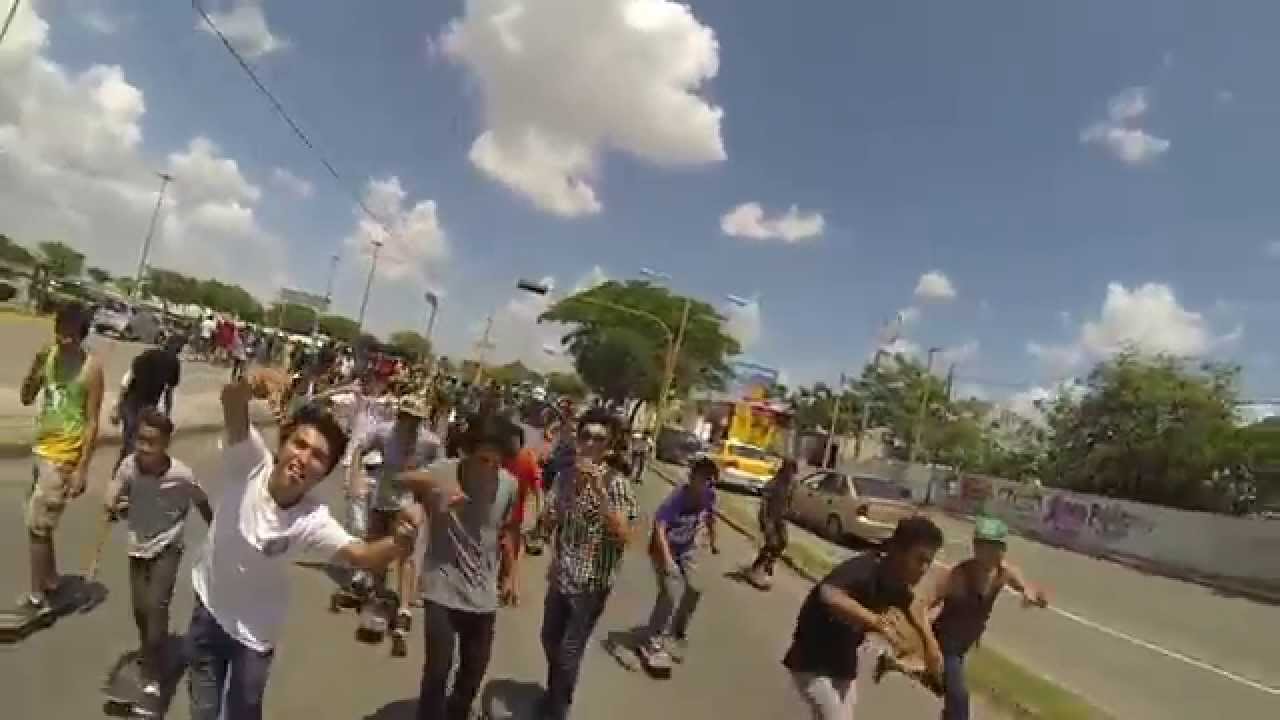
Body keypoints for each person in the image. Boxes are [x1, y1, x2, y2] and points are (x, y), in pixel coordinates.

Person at [185, 373, 423, 720]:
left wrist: (400, 541)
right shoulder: (249, 462)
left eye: (318, 457)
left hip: (254, 638)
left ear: (324, 473)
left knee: (242, 713)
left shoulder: (314, 520)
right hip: (207, 610)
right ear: (283, 445)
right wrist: (249, 383)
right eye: (299, 445)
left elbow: (361, 555)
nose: (304, 458)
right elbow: (232, 404)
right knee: (202, 713)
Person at [397, 413, 520, 720]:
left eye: (496, 463)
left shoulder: (509, 486)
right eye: (483, 460)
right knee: (438, 669)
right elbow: (404, 478)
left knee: (472, 674)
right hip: (442, 586)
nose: (489, 469)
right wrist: (434, 491)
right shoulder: (446, 471)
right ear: (468, 453)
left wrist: (512, 576)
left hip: (483, 594)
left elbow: (506, 532)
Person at [103, 409, 212, 718]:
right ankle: (154, 650)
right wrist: (111, 502)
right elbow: (115, 487)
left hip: (168, 545)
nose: (143, 448)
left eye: (151, 442)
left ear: (165, 444)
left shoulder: (182, 475)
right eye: (140, 440)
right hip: (138, 546)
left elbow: (202, 501)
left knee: (156, 605)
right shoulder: (129, 466)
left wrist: (215, 531)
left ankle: (152, 679)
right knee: (140, 610)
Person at [782, 516, 945, 720]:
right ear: (896, 550)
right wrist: (874, 620)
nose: (924, 569)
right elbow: (830, 593)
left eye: (928, 562)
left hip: (842, 662)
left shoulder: (897, 583)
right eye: (919, 559)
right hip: (810, 660)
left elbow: (913, 607)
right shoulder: (865, 568)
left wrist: (930, 644)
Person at [536, 409, 638, 720]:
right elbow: (545, 525)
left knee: (569, 651)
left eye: (598, 439)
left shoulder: (617, 484)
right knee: (549, 639)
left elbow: (623, 536)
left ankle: (557, 709)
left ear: (608, 446)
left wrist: (599, 491)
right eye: (585, 437)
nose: (590, 444)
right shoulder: (565, 476)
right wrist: (549, 516)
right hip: (562, 576)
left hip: (591, 585)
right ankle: (557, 692)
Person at [8, 303, 105, 624]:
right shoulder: (47, 356)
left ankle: (38, 598)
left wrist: (83, 468)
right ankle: (50, 581)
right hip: (41, 448)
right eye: (60, 330)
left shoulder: (91, 369)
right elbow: (26, 396)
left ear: (81, 333)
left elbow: (92, 422)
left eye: (71, 332)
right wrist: (33, 369)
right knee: (41, 525)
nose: (64, 338)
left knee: (37, 525)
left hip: (64, 456)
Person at [901, 516, 1048, 720]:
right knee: (959, 698)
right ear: (975, 547)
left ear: (1002, 549)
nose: (987, 553)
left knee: (949, 694)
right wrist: (931, 645)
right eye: (982, 546)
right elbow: (919, 607)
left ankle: (907, 667)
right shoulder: (957, 576)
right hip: (944, 643)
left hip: (963, 645)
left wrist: (1034, 595)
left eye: (994, 547)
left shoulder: (1003, 573)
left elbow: (1030, 589)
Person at [349, 396, 440, 637]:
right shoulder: (384, 432)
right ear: (399, 416)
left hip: (409, 502)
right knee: (378, 549)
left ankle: (404, 608)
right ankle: (378, 596)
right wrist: (356, 477)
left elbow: (440, 471)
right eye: (406, 418)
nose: (410, 424)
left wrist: (426, 498)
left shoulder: (429, 442)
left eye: (416, 420)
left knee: (406, 555)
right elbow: (360, 448)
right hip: (382, 497)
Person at [637, 456, 720, 672]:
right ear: (692, 477)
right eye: (702, 478)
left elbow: (711, 517)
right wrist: (666, 560)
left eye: (710, 480)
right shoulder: (678, 497)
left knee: (695, 588)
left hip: (687, 548)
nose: (706, 484)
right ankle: (653, 641)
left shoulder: (710, 495)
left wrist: (713, 540)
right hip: (663, 547)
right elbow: (659, 527)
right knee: (670, 592)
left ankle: (675, 632)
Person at [111, 335, 184, 473]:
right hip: (147, 405)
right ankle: (125, 472)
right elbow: (169, 392)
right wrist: (167, 414)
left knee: (130, 438)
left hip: (130, 401)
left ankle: (122, 470)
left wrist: (117, 404)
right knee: (135, 441)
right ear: (179, 349)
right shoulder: (174, 364)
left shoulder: (148, 354)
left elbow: (127, 379)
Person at [747, 458, 799, 589]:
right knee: (771, 543)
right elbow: (764, 502)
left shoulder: (792, 484)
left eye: (793, 471)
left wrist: (791, 512)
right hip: (769, 517)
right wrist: (764, 521)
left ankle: (769, 563)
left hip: (780, 519)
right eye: (790, 470)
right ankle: (757, 567)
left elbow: (789, 501)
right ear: (784, 469)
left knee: (783, 542)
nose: (791, 474)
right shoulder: (774, 482)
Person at [504, 435, 545, 564]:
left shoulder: (498, 456)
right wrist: (539, 514)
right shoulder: (528, 457)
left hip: (499, 517)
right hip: (514, 519)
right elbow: (538, 490)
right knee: (510, 562)